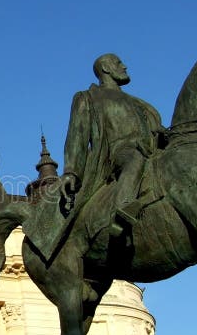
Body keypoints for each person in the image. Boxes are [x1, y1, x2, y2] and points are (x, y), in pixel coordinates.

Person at [60, 53, 165, 238]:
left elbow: (155, 129)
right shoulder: (88, 97)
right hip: (119, 152)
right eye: (119, 63)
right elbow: (77, 137)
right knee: (134, 159)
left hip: (150, 148)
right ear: (106, 68)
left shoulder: (138, 103)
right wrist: (71, 172)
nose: (124, 66)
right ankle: (121, 211)